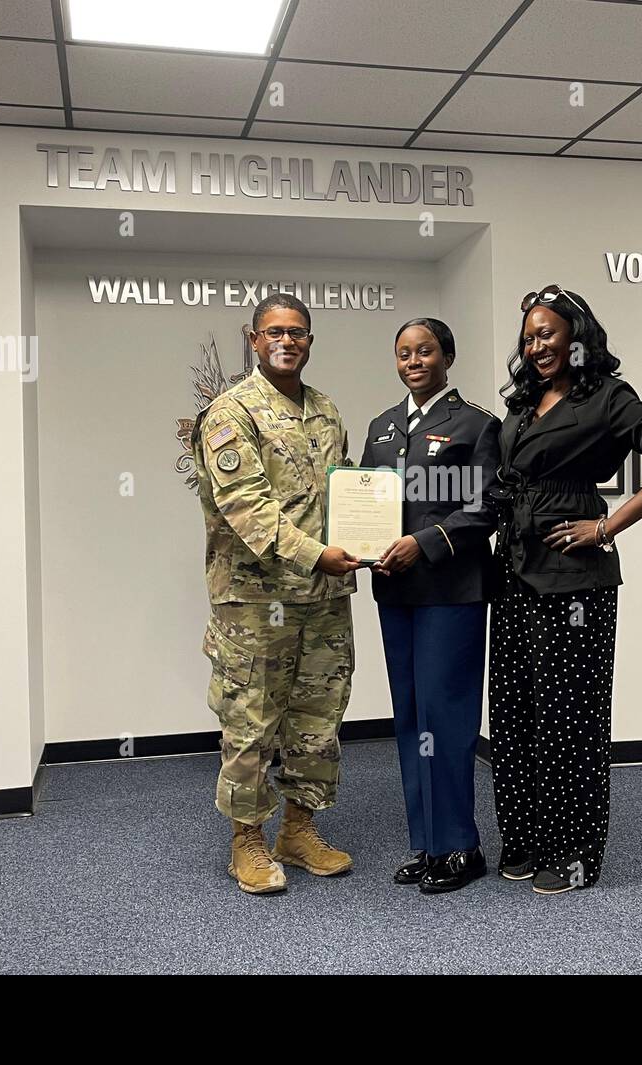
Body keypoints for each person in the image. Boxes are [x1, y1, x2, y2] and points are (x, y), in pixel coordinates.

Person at [489, 284, 642, 894]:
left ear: (576, 336)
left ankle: (574, 853)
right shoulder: (524, 401)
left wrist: (606, 526)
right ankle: (526, 838)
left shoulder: (608, 397)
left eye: (547, 334)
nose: (536, 347)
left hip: (573, 581)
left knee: (569, 720)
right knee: (514, 714)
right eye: (528, 338)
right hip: (514, 571)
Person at [192, 292, 363, 895]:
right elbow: (248, 509)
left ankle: (297, 829)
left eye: (297, 332)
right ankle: (247, 840)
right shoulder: (230, 413)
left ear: (309, 341)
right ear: (254, 339)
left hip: (324, 597)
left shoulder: (326, 411)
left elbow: (344, 492)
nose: (286, 341)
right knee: (250, 721)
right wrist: (319, 554)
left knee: (318, 718)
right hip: (254, 602)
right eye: (274, 332)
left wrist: (370, 535)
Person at [361, 318, 500, 894]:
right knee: (412, 717)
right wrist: (363, 547)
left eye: (425, 351)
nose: (414, 361)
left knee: (446, 719)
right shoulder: (382, 426)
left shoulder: (477, 424)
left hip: (451, 590)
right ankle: (427, 843)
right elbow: (366, 500)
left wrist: (424, 542)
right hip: (396, 590)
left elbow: (486, 506)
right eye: (404, 353)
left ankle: (460, 846)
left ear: (448, 356)